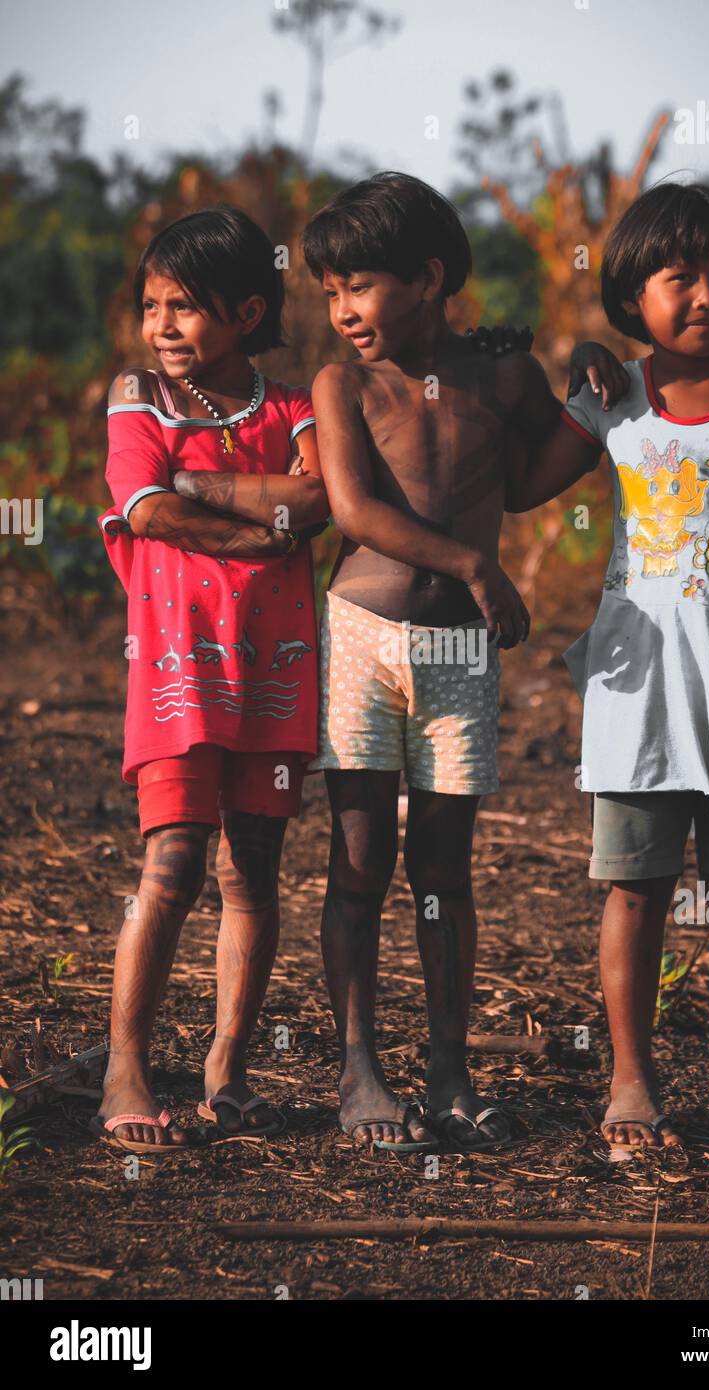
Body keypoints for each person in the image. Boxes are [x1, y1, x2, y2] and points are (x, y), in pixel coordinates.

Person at [505, 182, 709, 1158]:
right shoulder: (611, 397)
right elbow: (527, 486)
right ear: (630, 293)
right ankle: (627, 1089)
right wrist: (556, 376)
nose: (706, 294)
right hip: (638, 684)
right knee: (636, 887)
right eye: (678, 275)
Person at [301, 170, 621, 1151]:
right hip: (364, 633)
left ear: (430, 275)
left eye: (358, 284)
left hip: (458, 651)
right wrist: (471, 565)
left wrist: (593, 392)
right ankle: (360, 1073)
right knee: (359, 861)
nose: (342, 310)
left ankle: (447, 1074)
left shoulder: (500, 378)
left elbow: (528, 481)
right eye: (327, 293)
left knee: (443, 864)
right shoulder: (344, 383)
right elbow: (354, 511)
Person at [95, 205, 329, 1151]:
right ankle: (124, 1067)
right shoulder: (136, 396)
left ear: (247, 310)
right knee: (173, 864)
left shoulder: (292, 406)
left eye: (184, 307)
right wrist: (259, 527)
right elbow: (144, 508)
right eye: (151, 305)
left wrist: (221, 498)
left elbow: (317, 500)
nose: (161, 326)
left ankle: (227, 1066)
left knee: (254, 869)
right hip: (178, 668)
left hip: (273, 672)